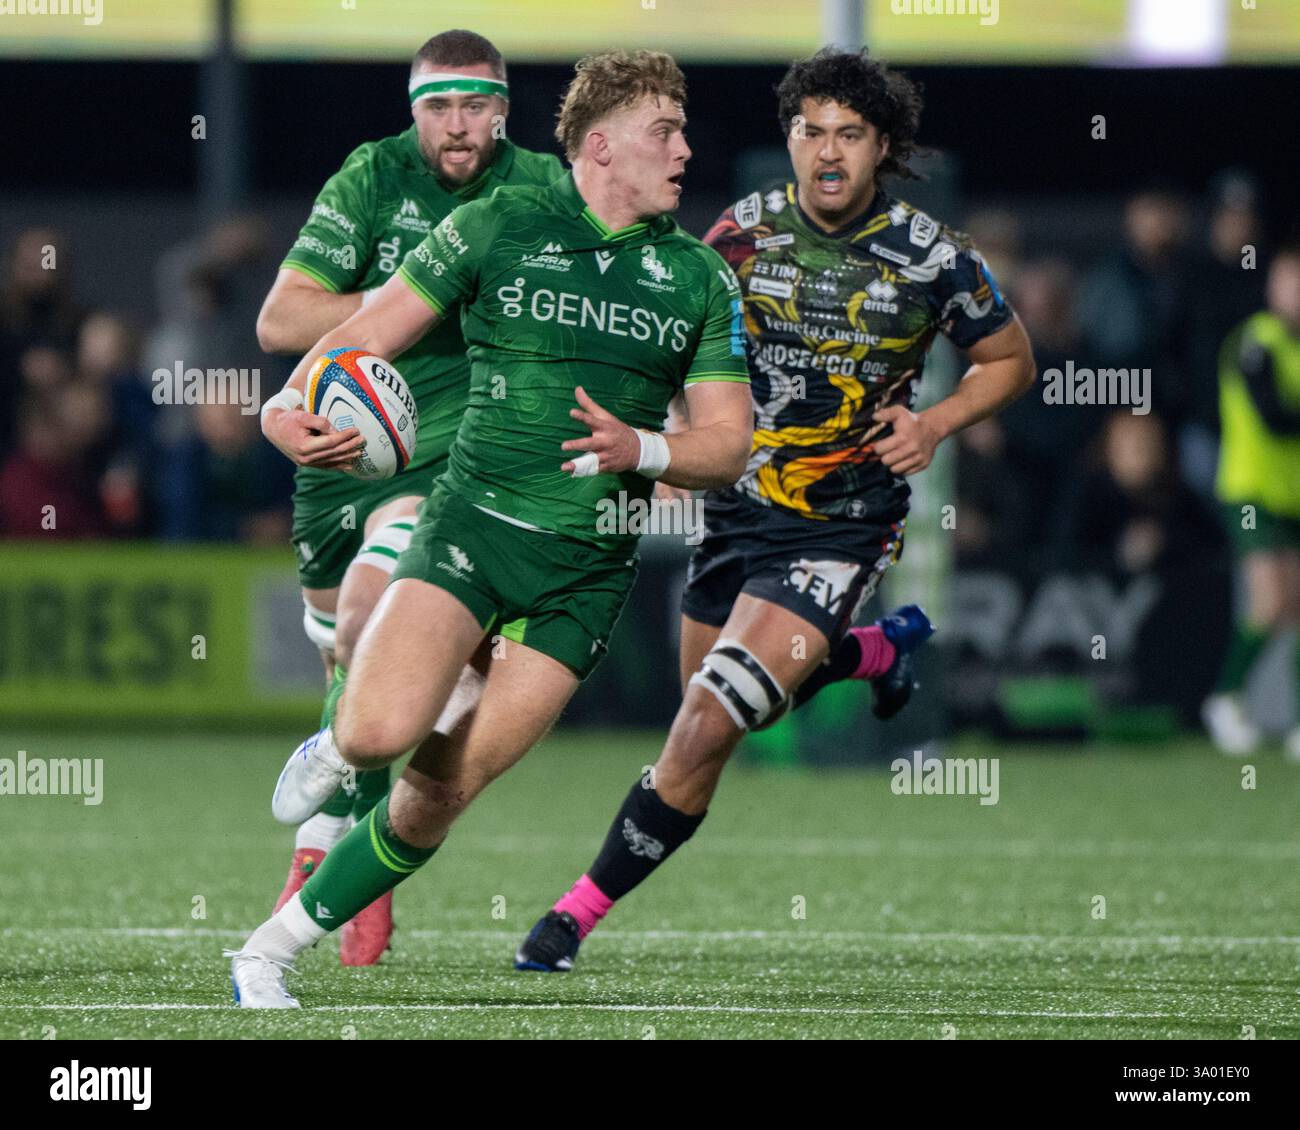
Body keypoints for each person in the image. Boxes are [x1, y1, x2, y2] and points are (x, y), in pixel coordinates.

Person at [226, 49, 754, 1008]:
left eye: (680, 131)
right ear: (601, 146)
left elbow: (727, 445)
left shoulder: (698, 279)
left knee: (438, 793)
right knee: (382, 733)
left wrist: (642, 449)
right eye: (663, 132)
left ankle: (267, 952)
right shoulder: (497, 222)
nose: (684, 150)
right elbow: (365, 333)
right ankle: (339, 747)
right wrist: (278, 411)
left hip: (585, 575)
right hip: (469, 530)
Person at [514, 47, 1036, 973]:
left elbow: (1012, 360)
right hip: (736, 514)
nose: (827, 153)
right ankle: (878, 648)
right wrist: (676, 439)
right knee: (716, 711)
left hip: (843, 522)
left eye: (849, 135)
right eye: (810, 131)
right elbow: (687, 339)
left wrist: (937, 423)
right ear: (788, 138)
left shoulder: (931, 255)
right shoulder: (742, 231)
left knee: (707, 722)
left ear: (883, 147)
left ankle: (570, 918)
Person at [253, 29, 563, 965]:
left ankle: (323, 873)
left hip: (461, 457)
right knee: (342, 664)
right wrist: (422, 291)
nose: (457, 126)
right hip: (344, 450)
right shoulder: (374, 176)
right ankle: (343, 842)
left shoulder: (542, 187)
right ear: (413, 109)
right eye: (437, 107)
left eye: (475, 106)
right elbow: (281, 318)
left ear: (504, 109)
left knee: (365, 626)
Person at [1202, 245, 1300, 761]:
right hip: (1252, 492)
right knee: (1270, 603)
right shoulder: (1254, 344)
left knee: (1296, 609)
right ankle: (1225, 699)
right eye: (1290, 281)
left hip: (1296, 496)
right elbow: (1273, 415)